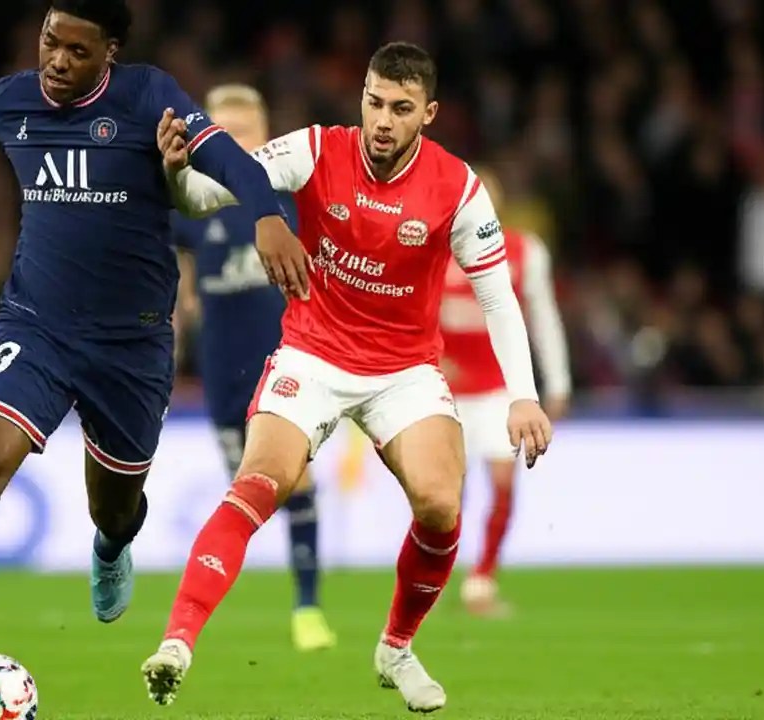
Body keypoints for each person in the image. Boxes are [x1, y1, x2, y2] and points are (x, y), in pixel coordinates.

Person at [0, 1, 305, 717]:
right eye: (49, 43)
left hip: (131, 344)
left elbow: (228, 158)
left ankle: (111, 543)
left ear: (110, 53)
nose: (58, 62)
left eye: (77, 50)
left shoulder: (148, 96)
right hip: (36, 326)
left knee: (117, 501)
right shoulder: (9, 100)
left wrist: (263, 216)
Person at [142, 41, 552, 713]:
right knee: (258, 483)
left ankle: (395, 647)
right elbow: (201, 197)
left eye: (400, 108)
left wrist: (523, 397)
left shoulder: (459, 188)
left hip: (405, 371)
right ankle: (177, 643)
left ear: (429, 113)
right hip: (312, 353)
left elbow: (496, 296)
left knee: (442, 506)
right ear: (360, 96)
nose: (383, 120)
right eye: (373, 102)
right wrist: (177, 173)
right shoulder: (313, 150)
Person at [171, 83, 336, 652]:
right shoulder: (190, 208)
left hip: (285, 365)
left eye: (243, 132)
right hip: (221, 369)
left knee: (294, 481)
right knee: (245, 493)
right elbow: (178, 284)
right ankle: (212, 600)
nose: (233, 144)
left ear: (266, 136)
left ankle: (308, 608)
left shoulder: (290, 199)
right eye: (221, 133)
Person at [438, 168, 571, 616]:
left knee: (501, 485)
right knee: (444, 496)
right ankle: (434, 580)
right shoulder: (435, 250)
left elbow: (544, 317)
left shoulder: (524, 251)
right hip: (444, 394)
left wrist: (557, 381)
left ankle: (482, 580)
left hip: (499, 391)